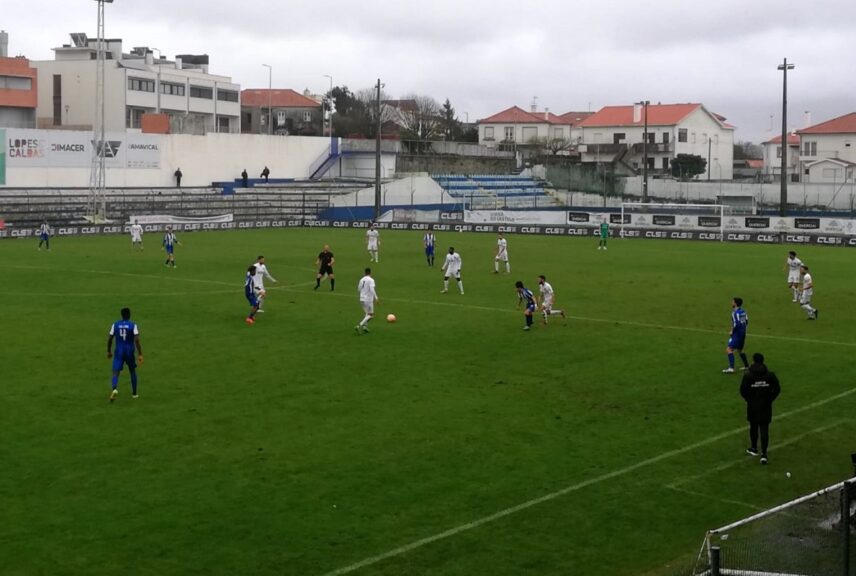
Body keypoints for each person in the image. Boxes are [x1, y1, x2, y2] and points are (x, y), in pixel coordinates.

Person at [740, 352, 781, 465]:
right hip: (765, 405)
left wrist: (749, 399)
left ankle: (754, 448)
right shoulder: (770, 375)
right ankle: (764, 454)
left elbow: (743, 391)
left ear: (753, 361)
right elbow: (777, 389)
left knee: (753, 426)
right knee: (764, 428)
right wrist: (770, 398)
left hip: (753, 405)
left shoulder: (748, 375)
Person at [107, 307, 143, 401]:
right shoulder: (133, 325)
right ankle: (134, 394)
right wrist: (140, 354)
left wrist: (109, 351)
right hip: (129, 351)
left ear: (121, 315)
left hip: (119, 350)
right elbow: (137, 340)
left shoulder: (115, 324)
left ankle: (114, 389)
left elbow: (110, 339)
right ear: (129, 315)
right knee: (132, 370)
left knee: (115, 371)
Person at [723, 297, 749, 374]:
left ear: (735, 303)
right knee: (740, 350)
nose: (731, 303)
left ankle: (731, 368)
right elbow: (746, 321)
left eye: (732, 302)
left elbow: (736, 324)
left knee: (729, 349)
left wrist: (732, 331)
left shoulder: (735, 313)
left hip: (737, 334)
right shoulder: (743, 312)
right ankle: (747, 366)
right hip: (743, 333)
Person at [355, 267, 379, 334]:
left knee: (367, 314)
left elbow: (358, 289)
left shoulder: (361, 279)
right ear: (370, 273)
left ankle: (365, 327)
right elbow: (372, 289)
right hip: (368, 300)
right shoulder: (371, 280)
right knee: (371, 315)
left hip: (361, 299)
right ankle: (359, 326)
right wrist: (376, 298)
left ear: (364, 273)